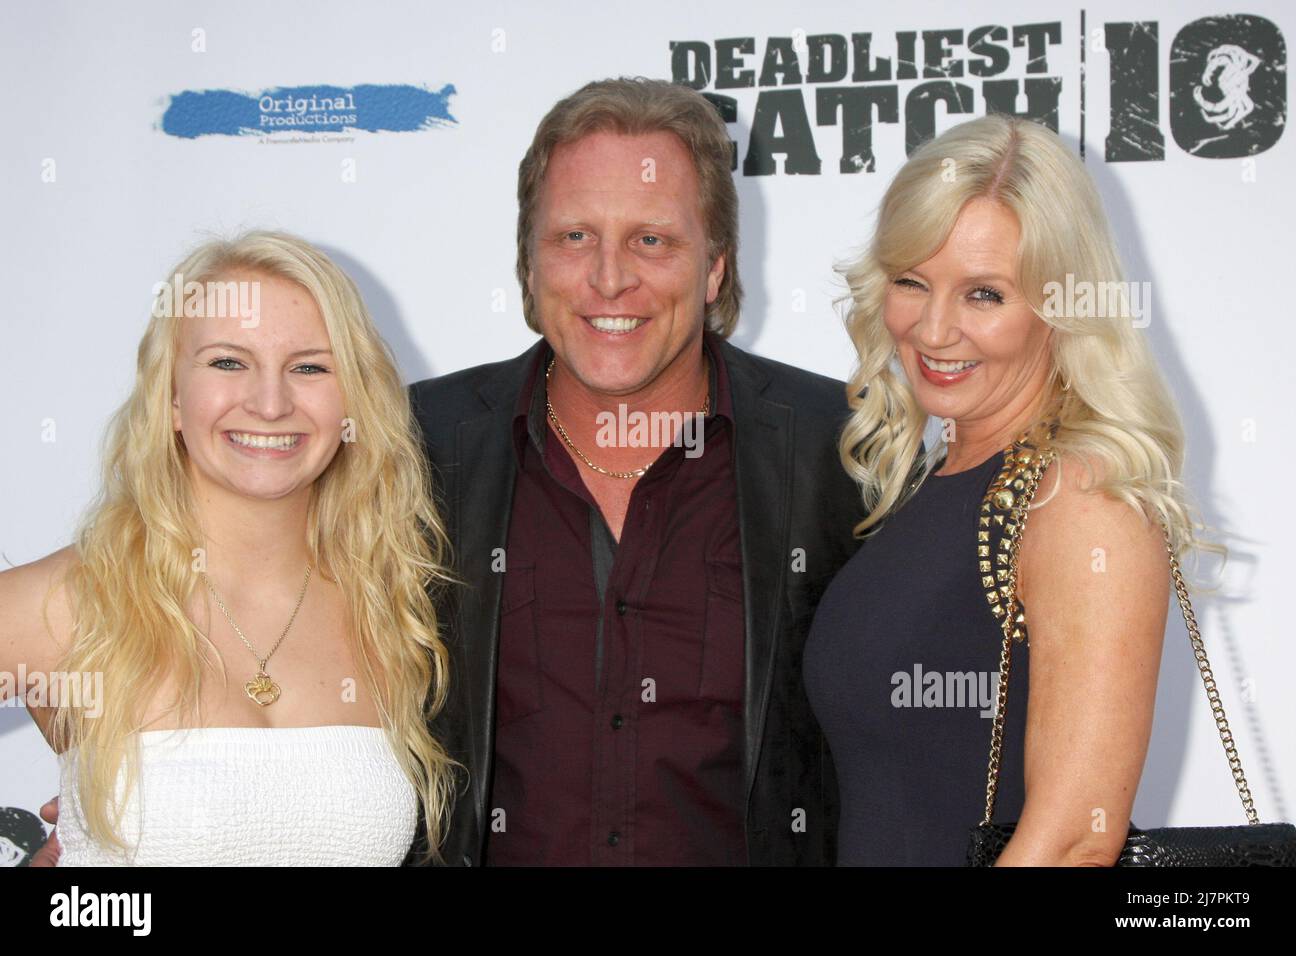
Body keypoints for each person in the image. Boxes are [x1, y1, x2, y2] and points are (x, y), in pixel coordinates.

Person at [407, 76, 865, 865]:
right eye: (574, 237)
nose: (610, 278)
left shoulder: (842, 451)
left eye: (652, 240)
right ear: (528, 261)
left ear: (715, 267)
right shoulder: (418, 445)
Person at [803, 113, 1217, 865]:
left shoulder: (1080, 496)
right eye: (911, 282)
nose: (933, 330)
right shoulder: (939, 473)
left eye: (984, 295)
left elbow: (1072, 844)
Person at [3, 231, 459, 865]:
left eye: (309, 367)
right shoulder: (60, 605)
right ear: (169, 398)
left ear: (353, 398)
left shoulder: (392, 608)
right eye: (226, 362)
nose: (270, 403)